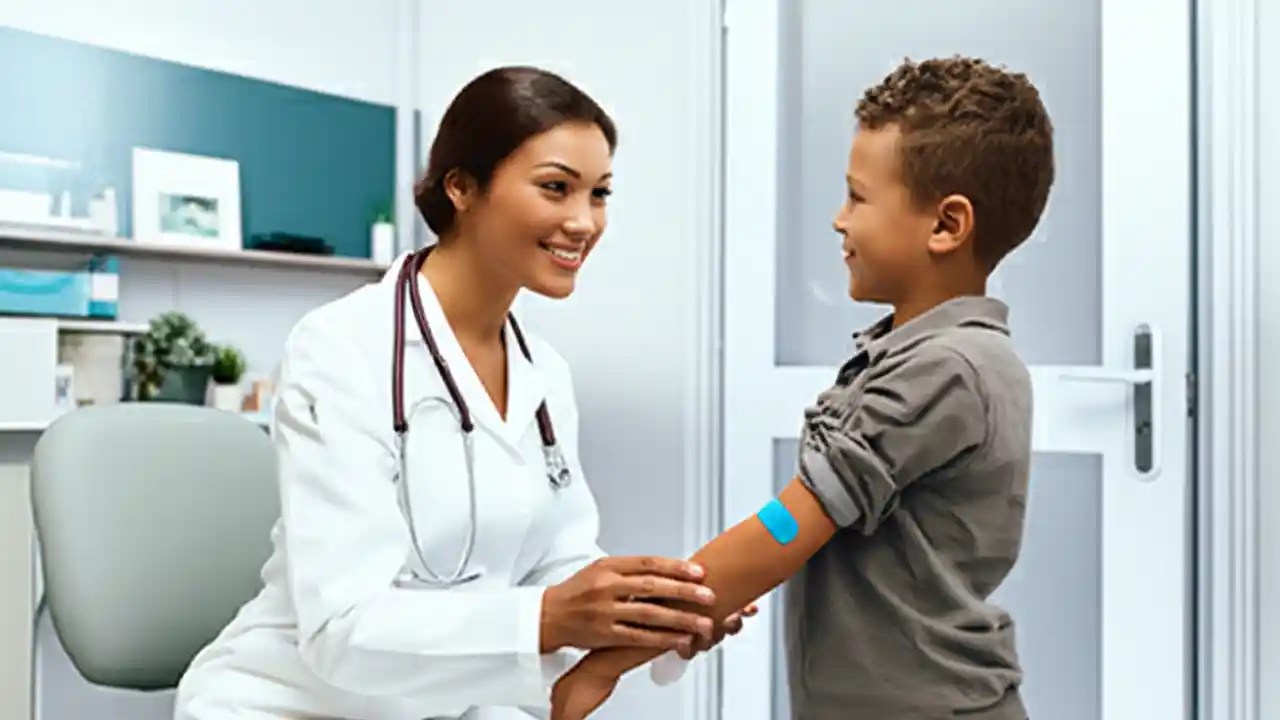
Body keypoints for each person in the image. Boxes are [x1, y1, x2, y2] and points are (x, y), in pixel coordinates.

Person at [173, 65, 749, 720]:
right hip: (292, 702)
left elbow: (554, 563)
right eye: (556, 188)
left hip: (454, 702)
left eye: (600, 194)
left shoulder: (544, 374)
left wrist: (647, 613)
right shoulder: (341, 349)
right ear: (461, 187)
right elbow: (343, 630)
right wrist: (550, 617)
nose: (584, 221)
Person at [550, 54, 1054, 720]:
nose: (839, 219)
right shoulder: (936, 356)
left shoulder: (948, 368)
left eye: (859, 197)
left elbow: (785, 527)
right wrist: (702, 605)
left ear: (945, 226)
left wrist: (609, 661)